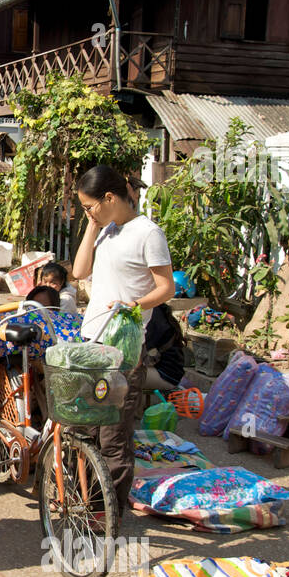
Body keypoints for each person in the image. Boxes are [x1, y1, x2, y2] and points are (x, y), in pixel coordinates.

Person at [71, 164, 175, 511]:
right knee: (84, 427)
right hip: (91, 340)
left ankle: (104, 513)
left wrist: (134, 305)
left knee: (113, 436)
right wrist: (92, 224)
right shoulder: (106, 231)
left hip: (124, 348)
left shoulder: (148, 233)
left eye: (89, 206)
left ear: (110, 197)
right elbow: (79, 271)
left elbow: (166, 288)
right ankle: (81, 500)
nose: (88, 212)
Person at [143, 304, 186, 391]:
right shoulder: (154, 310)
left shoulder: (153, 314)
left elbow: (141, 348)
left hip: (166, 375)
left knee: (120, 376)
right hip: (161, 369)